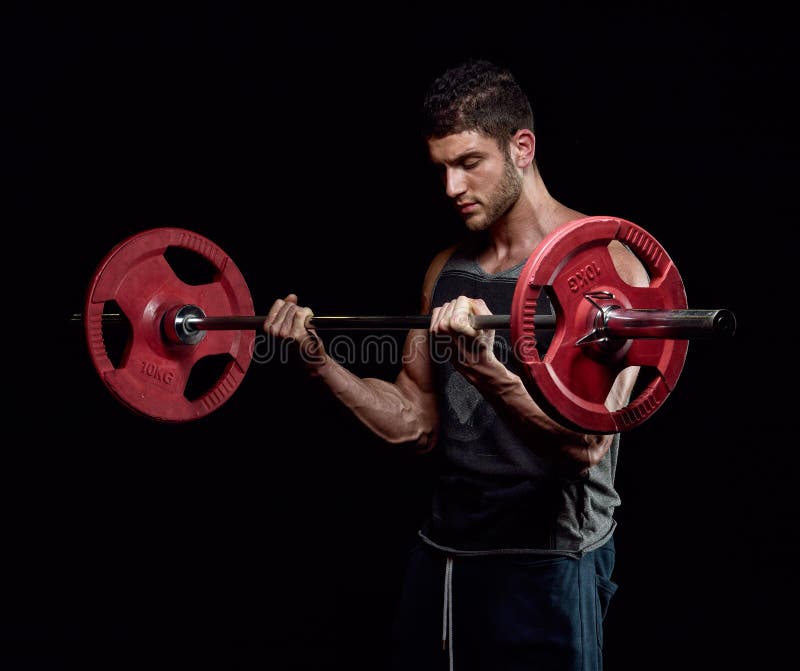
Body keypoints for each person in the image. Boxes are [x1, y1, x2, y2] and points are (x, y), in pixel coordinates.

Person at [263, 59, 649, 671]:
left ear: (521, 148)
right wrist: (322, 366)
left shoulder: (608, 263)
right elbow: (416, 424)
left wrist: (487, 373)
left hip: (550, 563)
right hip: (444, 557)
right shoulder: (446, 270)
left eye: (469, 164)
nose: (451, 188)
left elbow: (585, 447)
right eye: (441, 168)